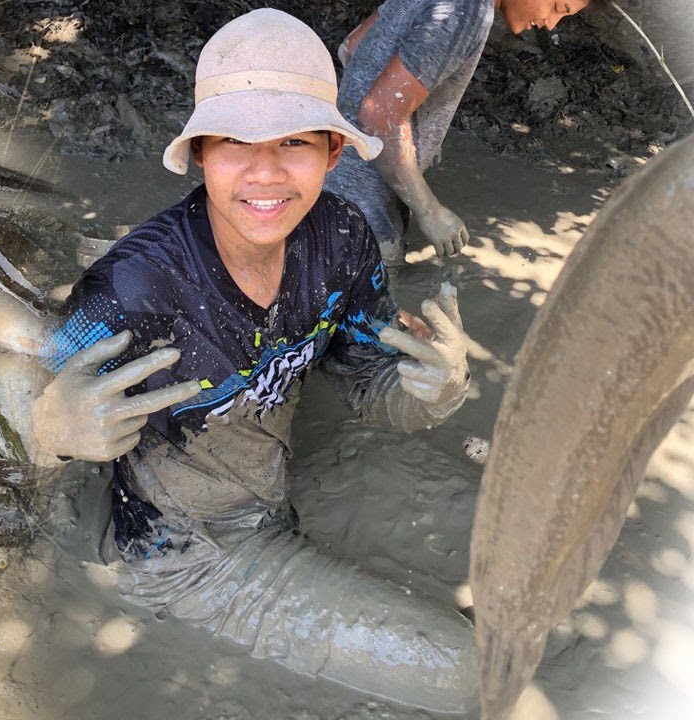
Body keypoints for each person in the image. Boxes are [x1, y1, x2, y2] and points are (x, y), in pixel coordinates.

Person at [30, 9, 477, 712]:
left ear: (333, 153)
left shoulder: (340, 238)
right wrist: (45, 432)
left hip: (270, 502)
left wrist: (433, 388)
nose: (265, 171)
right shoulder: (134, 289)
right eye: (235, 141)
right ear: (201, 153)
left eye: (294, 140)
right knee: (465, 672)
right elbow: (16, 393)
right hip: (178, 557)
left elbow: (371, 382)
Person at [327, 0, 601, 264]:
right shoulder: (467, 11)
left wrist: (414, 140)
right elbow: (379, 114)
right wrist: (429, 210)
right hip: (359, 223)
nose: (551, 24)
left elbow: (353, 47)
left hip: (329, 191)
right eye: (557, 7)